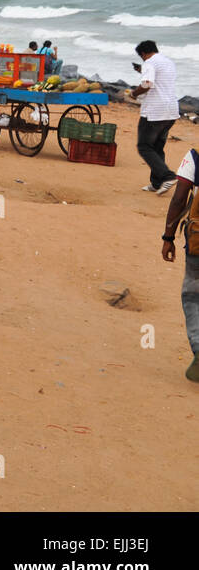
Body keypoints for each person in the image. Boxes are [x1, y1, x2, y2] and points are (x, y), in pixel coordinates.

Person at [160, 146, 199, 381]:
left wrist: (168, 237)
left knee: (193, 295)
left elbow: (179, 198)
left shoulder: (194, 156)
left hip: (197, 242)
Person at [131, 40, 179, 194]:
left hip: (154, 112)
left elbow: (147, 84)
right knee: (157, 147)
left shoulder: (149, 63)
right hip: (171, 110)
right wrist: (142, 70)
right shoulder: (168, 62)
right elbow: (159, 80)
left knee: (144, 146)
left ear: (143, 54)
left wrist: (133, 94)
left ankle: (168, 176)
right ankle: (157, 183)